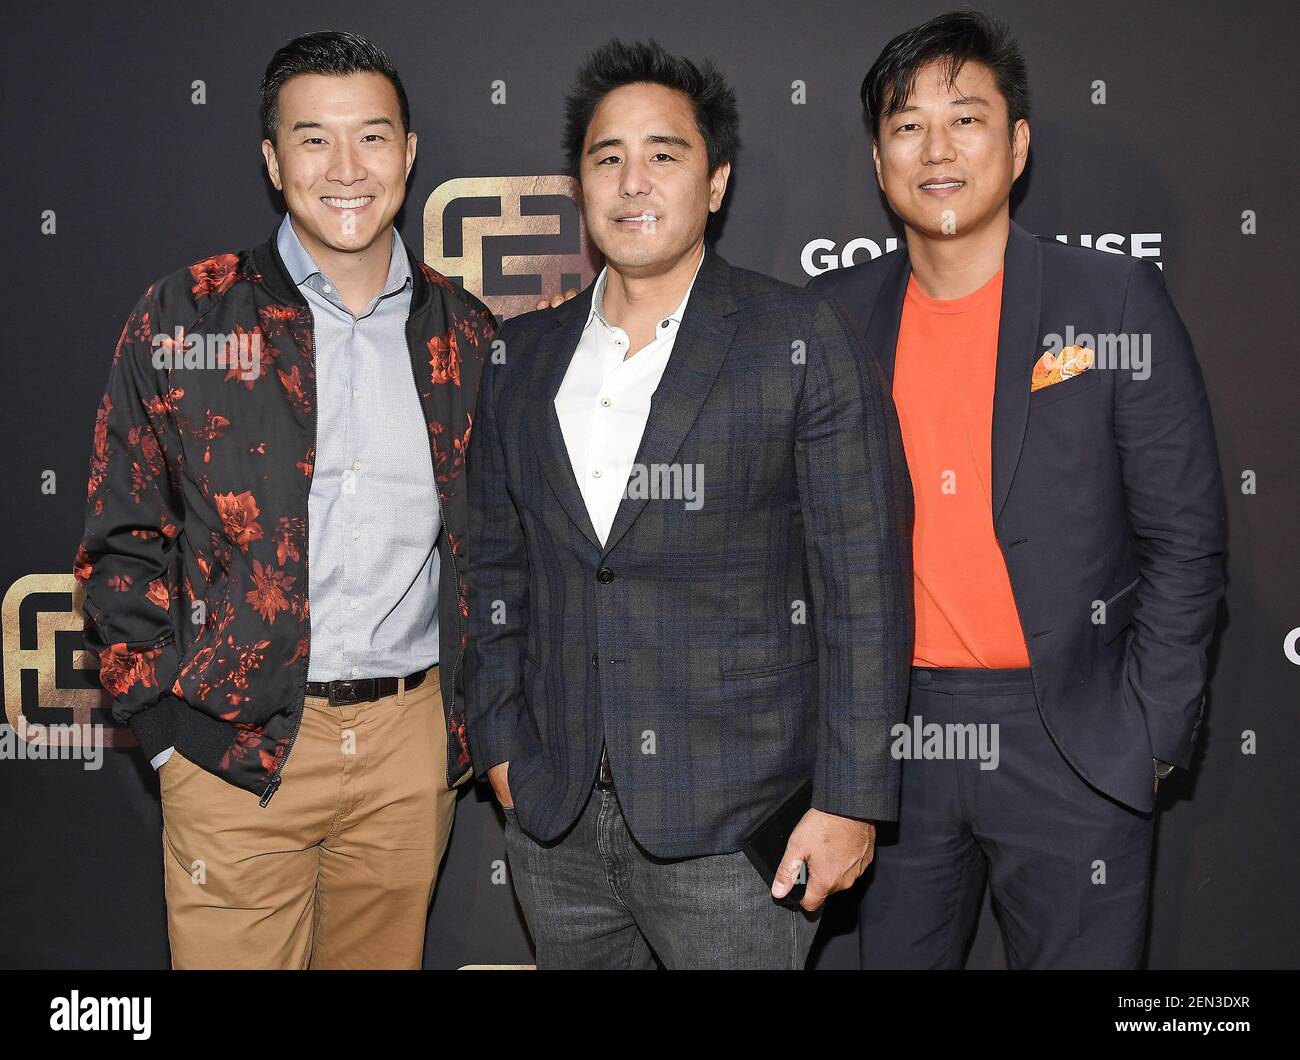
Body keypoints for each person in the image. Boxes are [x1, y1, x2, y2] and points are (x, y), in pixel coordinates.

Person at [464, 38, 913, 969]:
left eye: (664, 155)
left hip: (738, 835)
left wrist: (851, 801)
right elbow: (492, 569)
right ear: (579, 185)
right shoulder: (521, 356)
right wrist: (501, 749)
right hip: (555, 832)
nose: (633, 181)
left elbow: (862, 588)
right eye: (607, 157)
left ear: (714, 183)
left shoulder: (796, 337)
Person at [808, 10, 1226, 968]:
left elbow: (1185, 541)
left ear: (1018, 142)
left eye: (966, 118)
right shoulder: (832, 318)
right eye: (907, 125)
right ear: (879, 160)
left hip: (1070, 734)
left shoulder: (1111, 302)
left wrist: (1148, 737)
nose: (937, 148)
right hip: (892, 744)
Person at [73, 30, 495, 968]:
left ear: (410, 153)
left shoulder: (464, 335)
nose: (346, 168)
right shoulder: (185, 316)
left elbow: (491, 548)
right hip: (230, 746)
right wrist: (165, 730)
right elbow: (122, 541)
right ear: (272, 160)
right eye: (313, 139)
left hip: (406, 748)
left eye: (373, 137)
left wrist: (457, 734)